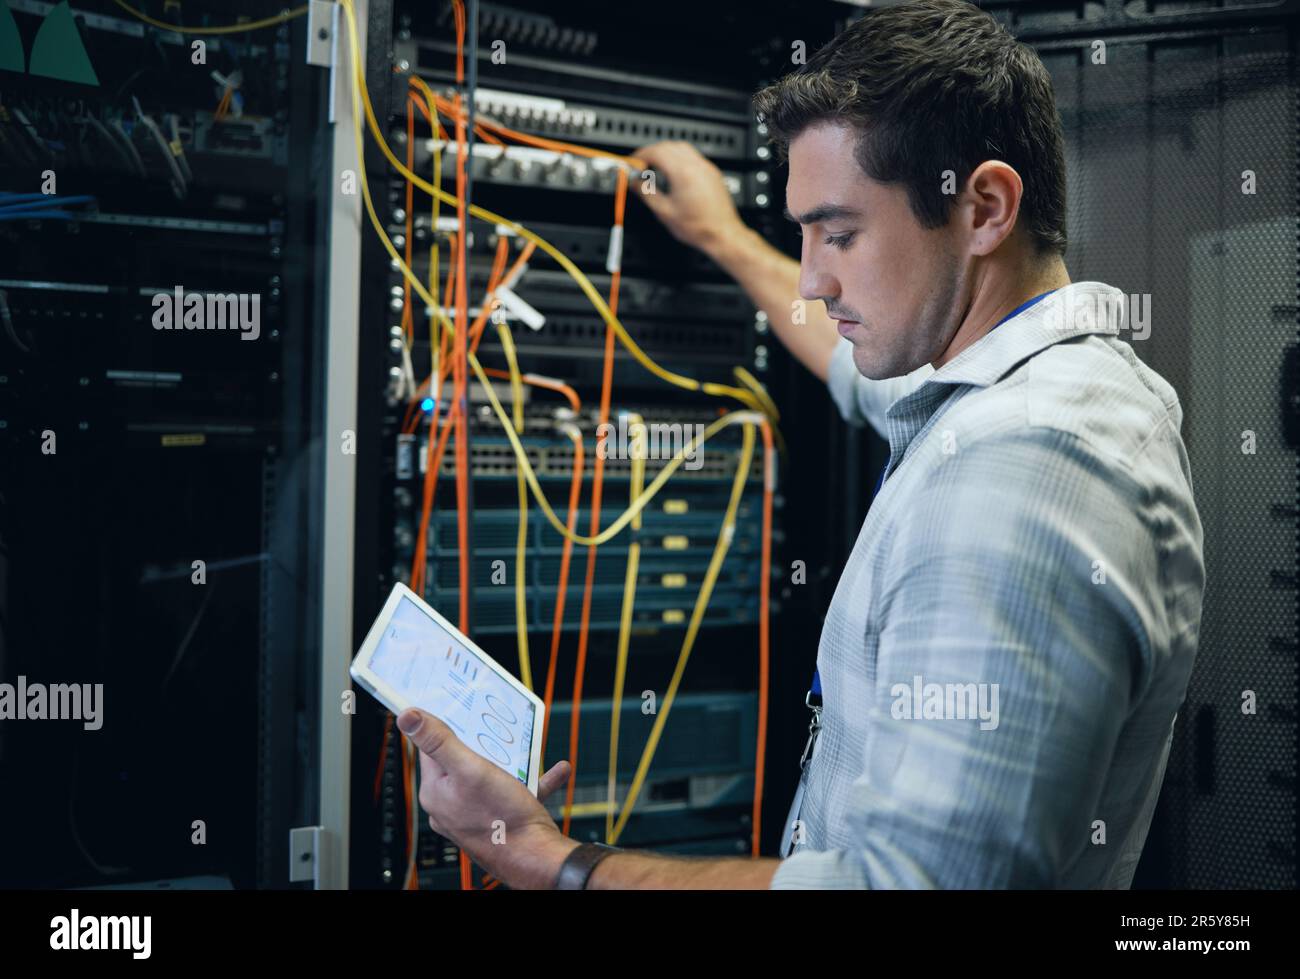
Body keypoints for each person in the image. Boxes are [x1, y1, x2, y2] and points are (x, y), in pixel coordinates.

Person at [396, 0, 1205, 889]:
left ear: (983, 208)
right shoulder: (1013, 382)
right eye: (806, 233)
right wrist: (725, 239)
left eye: (842, 233)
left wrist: (553, 859)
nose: (815, 282)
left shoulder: (1021, 470)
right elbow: (858, 368)